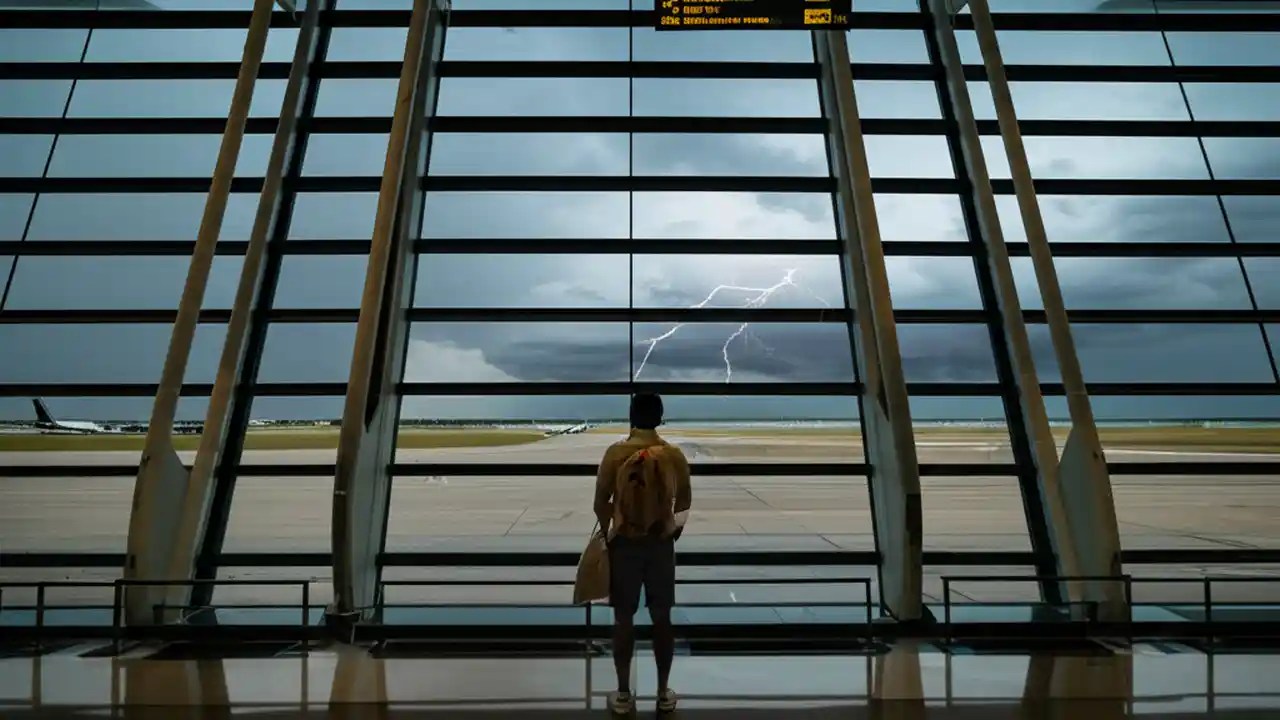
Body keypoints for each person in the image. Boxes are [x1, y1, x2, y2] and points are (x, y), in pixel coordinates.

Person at [593, 392, 691, 716]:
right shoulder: (674, 455)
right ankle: (663, 692)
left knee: (623, 618)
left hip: (624, 545)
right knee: (662, 618)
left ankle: (624, 693)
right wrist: (669, 533)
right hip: (660, 546)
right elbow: (684, 504)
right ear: (660, 417)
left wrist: (611, 532)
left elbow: (600, 502)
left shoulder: (615, 453)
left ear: (631, 417)